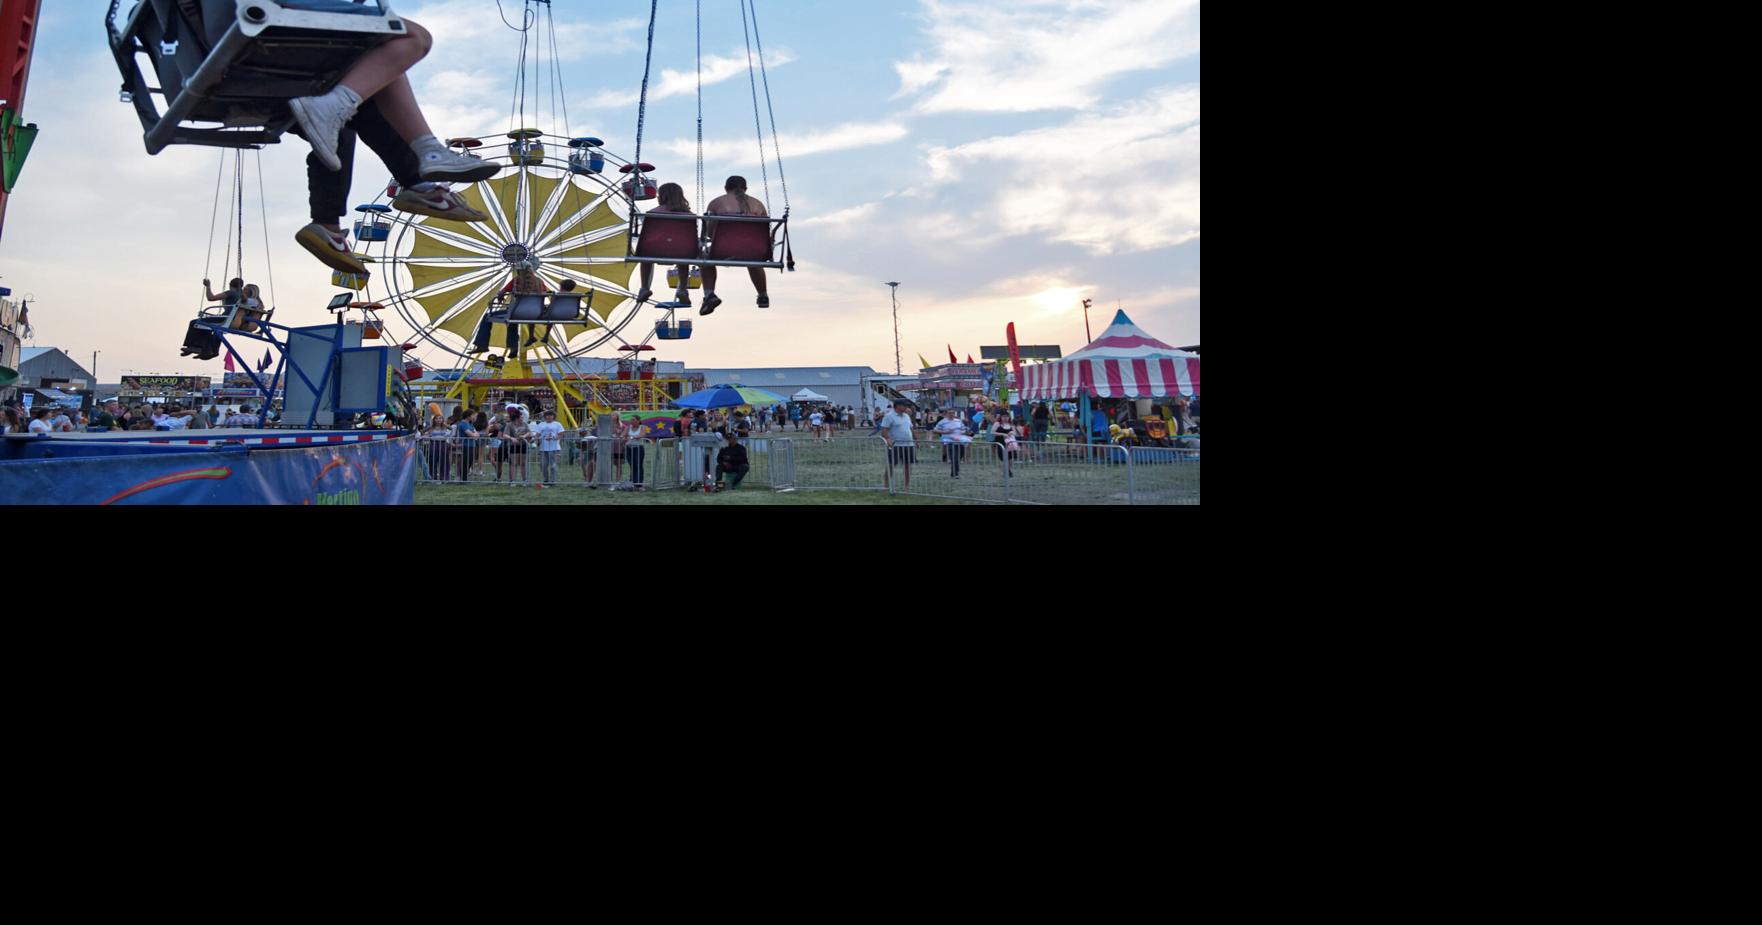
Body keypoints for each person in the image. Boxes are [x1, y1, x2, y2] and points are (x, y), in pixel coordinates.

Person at [287, 17, 496, 186]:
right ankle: (424, 160)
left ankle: (427, 153)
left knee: (385, 68)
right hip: (293, 14)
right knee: (413, 38)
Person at [295, 95, 490, 274]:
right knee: (377, 84)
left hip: (295, 83)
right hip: (291, 82)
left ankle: (327, 224)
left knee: (346, 123)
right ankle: (423, 175)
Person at [698, 176, 771, 315]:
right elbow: (764, 232)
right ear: (746, 189)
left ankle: (709, 295)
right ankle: (763, 294)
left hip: (723, 249)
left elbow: (709, 232)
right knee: (753, 260)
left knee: (704, 256)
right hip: (755, 250)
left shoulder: (716, 203)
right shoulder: (759, 204)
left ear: (726, 188)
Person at [634, 182, 697, 306]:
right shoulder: (689, 216)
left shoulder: (652, 213)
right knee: (684, 257)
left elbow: (648, 235)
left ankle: (644, 287)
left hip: (654, 250)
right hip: (681, 251)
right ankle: (683, 288)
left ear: (661, 196)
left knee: (645, 255)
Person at [878, 400, 917, 493]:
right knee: (891, 465)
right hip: (895, 445)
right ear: (898, 406)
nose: (907, 408)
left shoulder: (907, 416)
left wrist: (916, 440)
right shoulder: (889, 416)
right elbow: (884, 430)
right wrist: (888, 439)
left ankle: (906, 487)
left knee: (908, 466)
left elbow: (911, 429)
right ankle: (886, 486)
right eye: (905, 405)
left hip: (909, 445)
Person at [934, 408, 970, 479]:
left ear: (954, 414)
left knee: (959, 457)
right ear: (947, 414)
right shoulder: (943, 422)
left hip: (960, 441)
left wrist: (965, 431)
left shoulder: (958, 421)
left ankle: (956, 471)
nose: (951, 414)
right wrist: (945, 432)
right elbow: (935, 430)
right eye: (950, 413)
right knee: (954, 457)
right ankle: (954, 473)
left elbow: (964, 429)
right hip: (950, 442)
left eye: (953, 413)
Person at [533, 410, 565, 485]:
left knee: (553, 465)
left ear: (553, 416)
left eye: (550, 415)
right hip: (543, 448)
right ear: (545, 417)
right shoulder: (541, 424)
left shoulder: (557, 424)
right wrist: (534, 439)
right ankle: (546, 479)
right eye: (547, 415)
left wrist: (554, 437)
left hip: (554, 448)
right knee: (543, 465)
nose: (549, 417)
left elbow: (561, 434)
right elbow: (537, 434)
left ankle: (552, 480)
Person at [990, 411, 1020, 476]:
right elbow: (992, 432)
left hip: (1010, 443)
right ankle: (1005, 471)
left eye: (1007, 416)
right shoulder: (997, 424)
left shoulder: (1011, 424)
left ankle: (1008, 470)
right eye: (1004, 416)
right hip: (1001, 443)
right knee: (1003, 458)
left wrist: (1011, 433)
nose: (1005, 418)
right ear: (1001, 417)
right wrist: (1002, 434)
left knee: (1011, 458)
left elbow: (1015, 433)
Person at [620, 415, 646, 489]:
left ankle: (639, 483)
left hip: (638, 448)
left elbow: (642, 435)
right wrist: (623, 438)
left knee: (638, 465)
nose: (632, 421)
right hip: (629, 448)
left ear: (638, 420)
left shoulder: (642, 427)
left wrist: (631, 437)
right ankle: (632, 481)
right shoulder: (628, 427)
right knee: (632, 465)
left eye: (633, 420)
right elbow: (622, 435)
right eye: (631, 420)